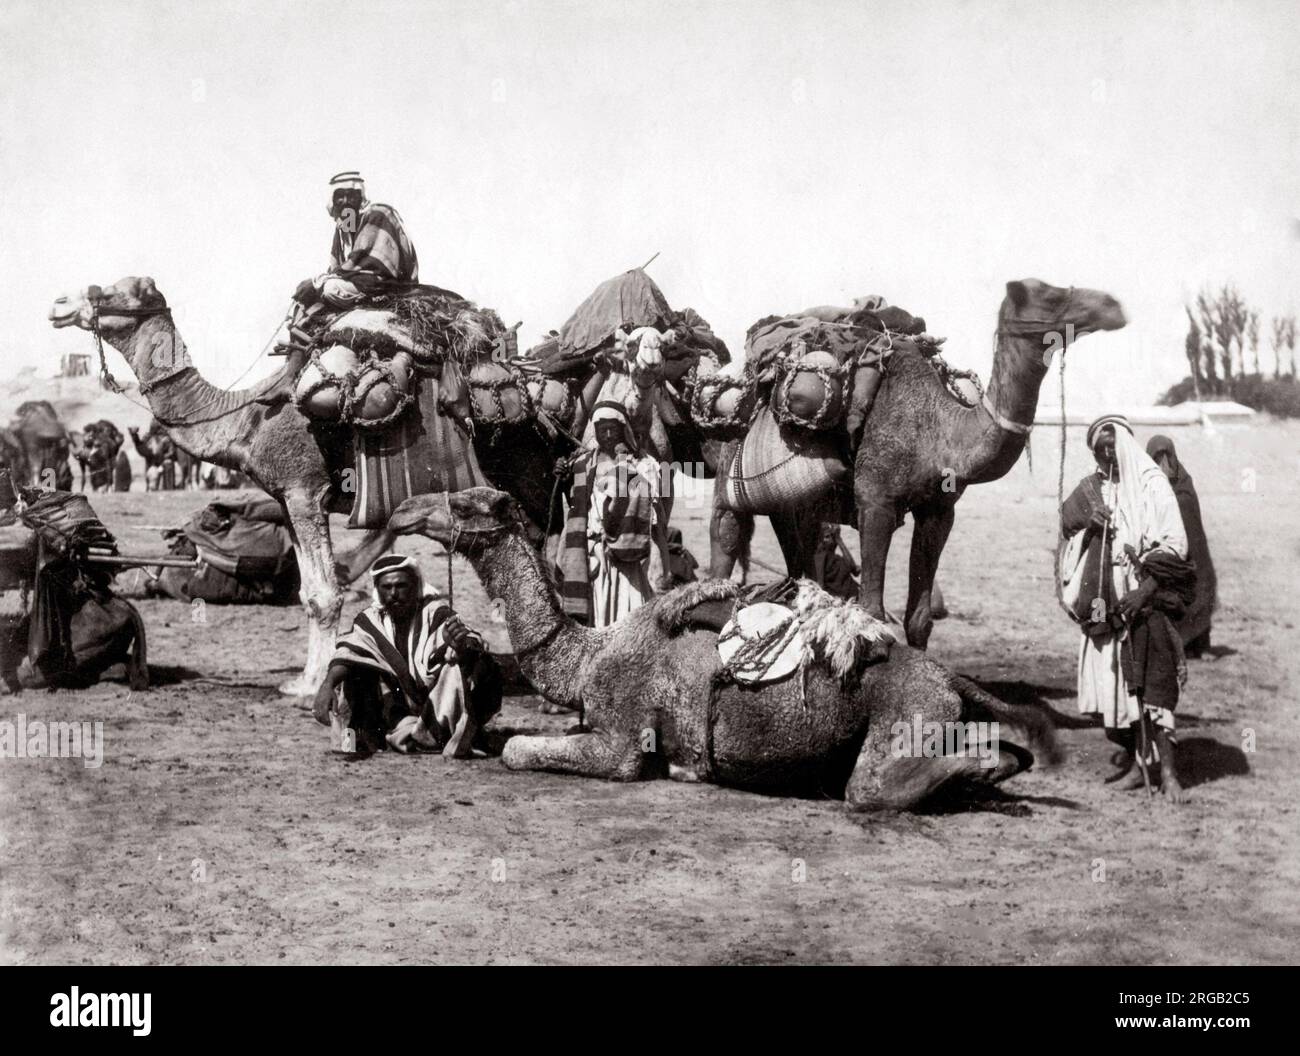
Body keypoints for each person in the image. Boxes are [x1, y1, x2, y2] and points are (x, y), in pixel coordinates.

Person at [1059, 414, 1197, 802]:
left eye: (1111, 445)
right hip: (1105, 604)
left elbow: (1176, 546)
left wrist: (1145, 591)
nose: (1107, 454)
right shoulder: (1092, 489)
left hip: (1145, 602)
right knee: (1118, 691)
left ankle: (1169, 774)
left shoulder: (1153, 485)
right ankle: (1139, 766)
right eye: (1098, 449)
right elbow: (1067, 525)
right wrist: (1090, 522)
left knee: (1153, 685)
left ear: (1124, 443)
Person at [312, 554, 500, 756]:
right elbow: (349, 651)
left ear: (415, 587)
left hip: (436, 704)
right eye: (386, 587)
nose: (393, 593)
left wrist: (458, 646)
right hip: (396, 709)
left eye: (401, 586)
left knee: (473, 665)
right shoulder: (369, 621)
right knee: (351, 670)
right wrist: (327, 684)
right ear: (378, 590)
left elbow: (470, 640)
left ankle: (447, 734)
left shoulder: (436, 613)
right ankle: (350, 743)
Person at [282, 171, 420, 353]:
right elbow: (338, 268)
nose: (345, 201)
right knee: (306, 299)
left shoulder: (378, 213)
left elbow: (367, 264)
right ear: (333, 200)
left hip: (388, 286)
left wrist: (318, 283)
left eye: (351, 195)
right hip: (360, 283)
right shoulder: (343, 228)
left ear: (360, 197)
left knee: (329, 288)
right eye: (340, 196)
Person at [558, 401, 666, 628]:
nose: (607, 435)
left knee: (629, 620)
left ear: (623, 428)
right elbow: (575, 509)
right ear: (594, 431)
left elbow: (653, 519)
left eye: (613, 428)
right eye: (601, 429)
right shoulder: (582, 465)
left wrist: (625, 475)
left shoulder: (643, 464)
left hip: (628, 558)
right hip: (591, 559)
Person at [1146, 435, 1217, 658]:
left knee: (1202, 585)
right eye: (1158, 457)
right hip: (1169, 548)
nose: (1164, 463)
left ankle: (1202, 645)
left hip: (1194, 549)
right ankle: (1176, 644)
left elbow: (1193, 520)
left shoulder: (1184, 483)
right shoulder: (1147, 485)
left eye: (1167, 456)